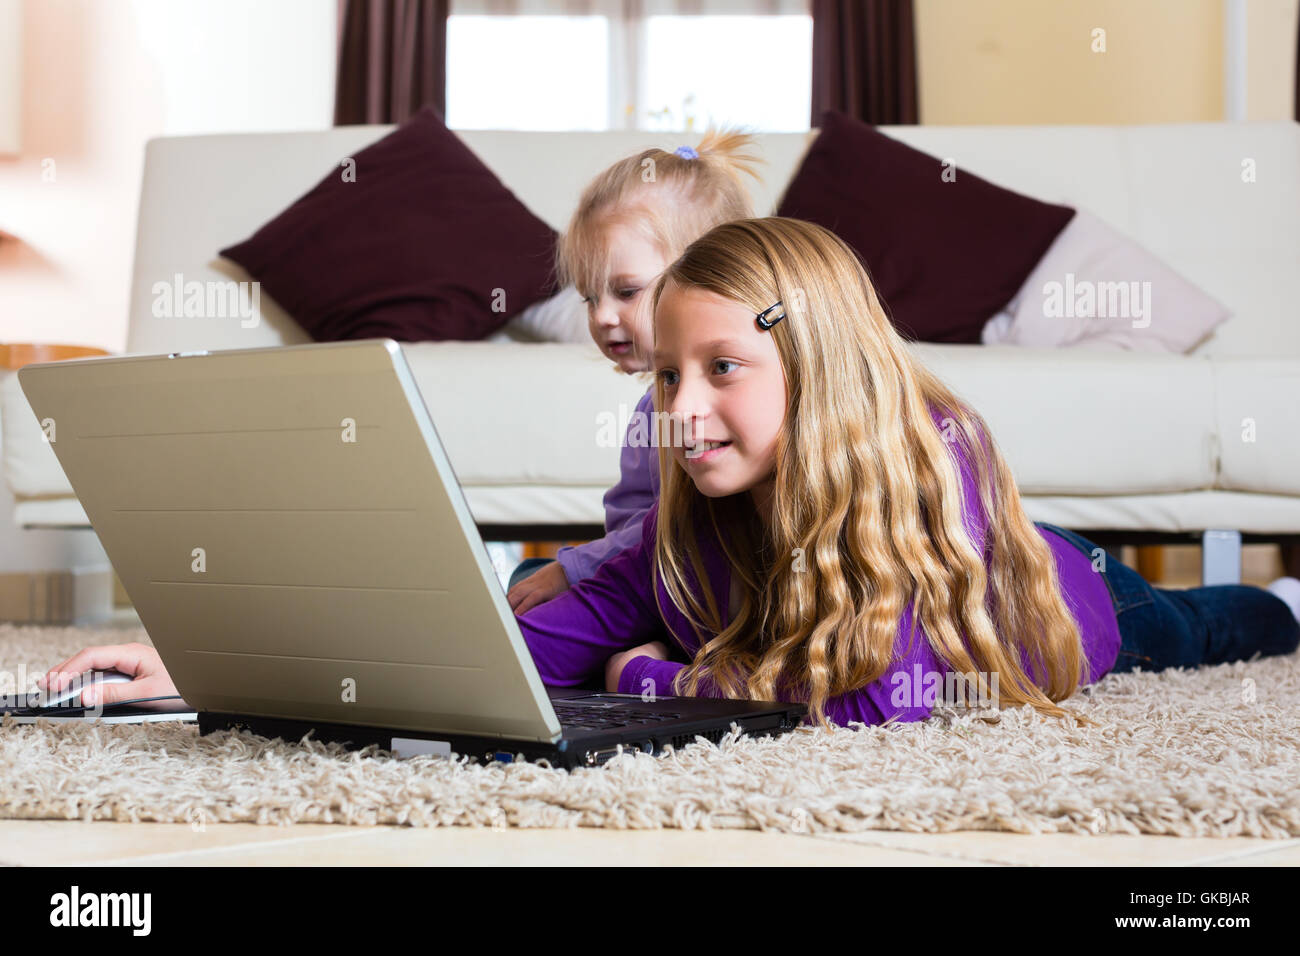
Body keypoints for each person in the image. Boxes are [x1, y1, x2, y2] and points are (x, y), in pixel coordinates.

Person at [40, 218, 1300, 727]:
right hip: (802, 596)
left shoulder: (935, 464)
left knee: (1193, 623)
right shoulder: (691, 512)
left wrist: (645, 672)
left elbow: (885, 697)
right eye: (662, 378)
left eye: (720, 372)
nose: (680, 415)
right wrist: (219, 656)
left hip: (1048, 589)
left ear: (825, 376)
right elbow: (521, 639)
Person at [505, 129, 764, 615]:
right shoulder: (653, 409)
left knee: (550, 584)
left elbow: (671, 533)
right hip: (658, 579)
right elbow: (630, 523)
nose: (601, 317)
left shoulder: (748, 400)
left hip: (713, 588)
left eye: (626, 292)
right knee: (527, 576)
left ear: (709, 275)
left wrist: (574, 569)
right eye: (589, 297)